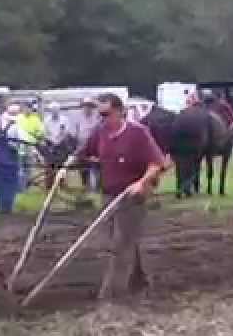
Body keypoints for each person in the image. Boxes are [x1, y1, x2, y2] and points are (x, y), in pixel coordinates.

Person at [67, 93, 168, 300]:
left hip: (131, 196)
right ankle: (140, 280)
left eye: (106, 114)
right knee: (123, 240)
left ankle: (111, 293)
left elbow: (157, 163)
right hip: (108, 195)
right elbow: (82, 152)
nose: (102, 119)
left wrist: (141, 183)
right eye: (100, 115)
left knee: (121, 243)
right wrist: (66, 165)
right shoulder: (100, 132)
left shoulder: (138, 133)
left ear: (121, 111)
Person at [0, 104, 24, 212]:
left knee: (1, 183)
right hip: (11, 158)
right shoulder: (15, 127)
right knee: (11, 183)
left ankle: (2, 206)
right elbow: (20, 143)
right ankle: (8, 206)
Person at [71, 98, 101, 192]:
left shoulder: (98, 118)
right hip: (81, 147)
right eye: (85, 106)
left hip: (94, 147)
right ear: (83, 107)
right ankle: (86, 186)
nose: (87, 108)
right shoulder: (77, 118)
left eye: (89, 106)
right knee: (83, 168)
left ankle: (96, 188)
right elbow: (74, 134)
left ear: (92, 107)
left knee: (95, 167)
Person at [40, 101, 73, 188]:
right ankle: (49, 185)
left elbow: (67, 132)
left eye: (55, 110)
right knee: (49, 165)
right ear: (50, 111)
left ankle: (61, 184)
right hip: (50, 144)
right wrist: (51, 141)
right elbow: (44, 133)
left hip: (62, 145)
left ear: (59, 110)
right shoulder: (46, 120)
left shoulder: (64, 119)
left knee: (61, 165)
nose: (54, 111)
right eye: (52, 110)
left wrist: (59, 140)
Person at [16, 102, 45, 192]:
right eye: (24, 108)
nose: (26, 110)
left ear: (31, 109)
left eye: (28, 108)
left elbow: (41, 132)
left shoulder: (35, 119)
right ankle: (20, 187)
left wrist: (36, 135)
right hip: (20, 146)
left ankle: (26, 187)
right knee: (20, 167)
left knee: (28, 168)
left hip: (31, 146)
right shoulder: (19, 118)